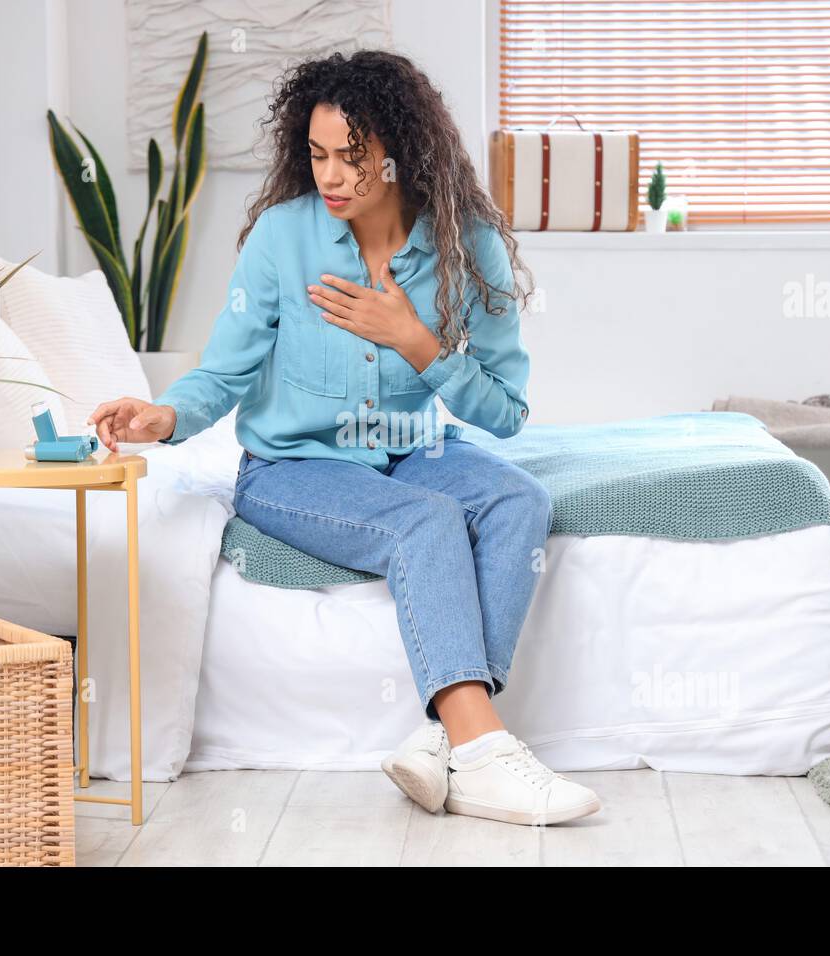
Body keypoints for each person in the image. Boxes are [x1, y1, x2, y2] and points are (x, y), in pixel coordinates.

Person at [88, 50, 599, 826]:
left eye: (351, 159)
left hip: (409, 451)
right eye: (318, 155)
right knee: (425, 522)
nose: (329, 176)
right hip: (292, 468)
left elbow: (505, 414)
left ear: (402, 155)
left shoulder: (468, 246)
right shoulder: (280, 239)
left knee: (516, 499)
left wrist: (416, 341)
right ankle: (487, 752)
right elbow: (221, 375)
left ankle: (443, 736)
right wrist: (166, 418)